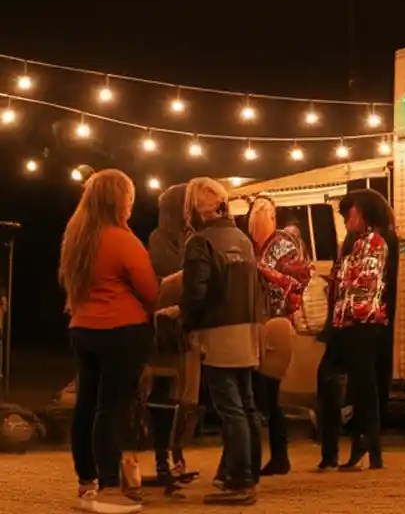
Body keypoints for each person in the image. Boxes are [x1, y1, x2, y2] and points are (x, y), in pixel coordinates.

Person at [59, 169, 157, 514]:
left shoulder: (76, 237)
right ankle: (111, 487)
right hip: (121, 331)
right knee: (110, 408)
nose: (131, 205)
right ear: (119, 200)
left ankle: (86, 482)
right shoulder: (121, 239)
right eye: (129, 198)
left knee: (87, 405)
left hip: (82, 330)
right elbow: (149, 291)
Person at [181, 177, 266, 506]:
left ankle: (240, 480)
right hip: (248, 328)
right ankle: (244, 473)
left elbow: (196, 292)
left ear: (195, 208)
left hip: (218, 331)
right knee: (246, 406)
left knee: (231, 409)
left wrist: (186, 322)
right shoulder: (242, 239)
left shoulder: (200, 243)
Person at [317, 189, 397, 472]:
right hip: (346, 323)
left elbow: (365, 285)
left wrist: (342, 282)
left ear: (362, 212)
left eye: (350, 213)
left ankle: (361, 448)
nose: (346, 219)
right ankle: (351, 449)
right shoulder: (354, 242)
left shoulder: (374, 242)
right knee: (352, 385)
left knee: (363, 387)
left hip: (360, 324)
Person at [247, 196, 313, 476]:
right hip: (258, 322)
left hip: (277, 322)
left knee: (268, 392)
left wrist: (265, 272)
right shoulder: (253, 246)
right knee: (262, 393)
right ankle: (274, 454)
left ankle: (278, 454)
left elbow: (299, 279)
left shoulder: (282, 244)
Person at [143, 183, 198, 489]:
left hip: (187, 329)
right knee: (165, 393)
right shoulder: (159, 238)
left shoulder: (193, 238)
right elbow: (171, 275)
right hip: (164, 330)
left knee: (187, 398)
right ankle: (163, 459)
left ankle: (176, 455)